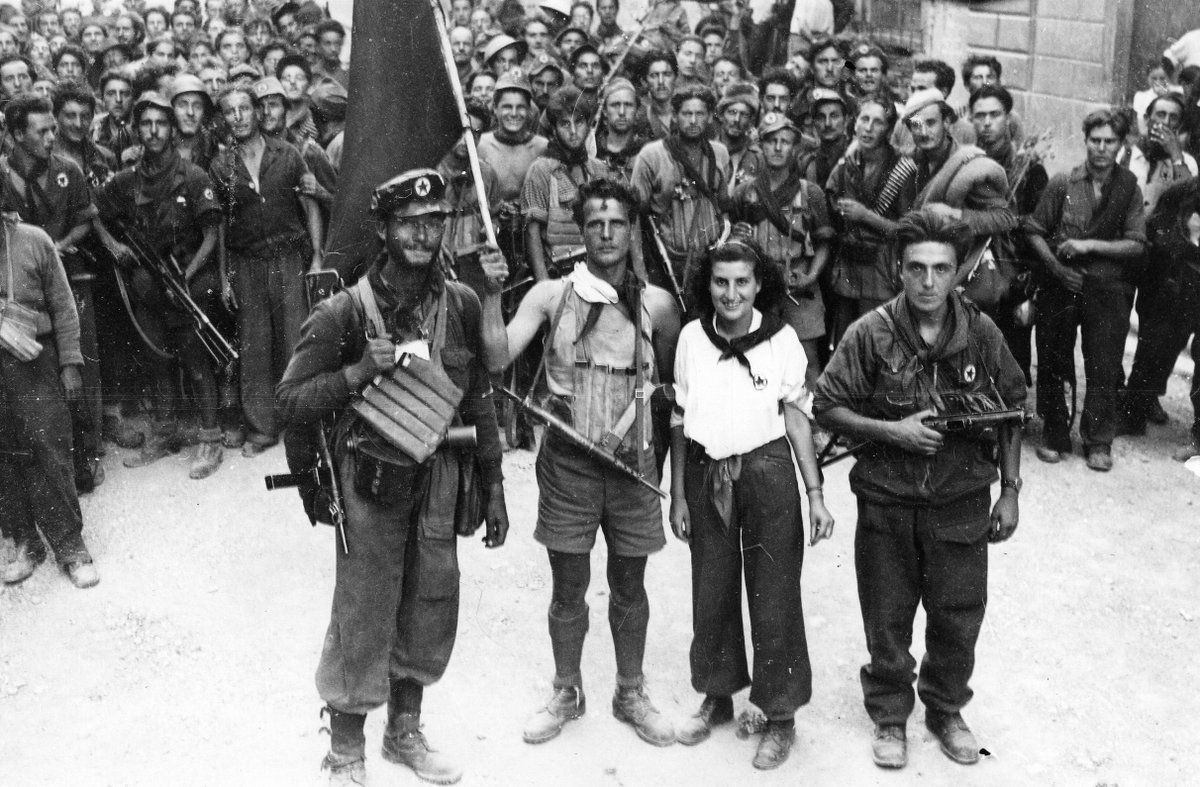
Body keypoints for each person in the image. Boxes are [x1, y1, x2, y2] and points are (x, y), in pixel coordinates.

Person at [276, 168, 510, 787]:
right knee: (364, 610)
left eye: (434, 223)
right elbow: (290, 401)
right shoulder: (344, 311)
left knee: (430, 602)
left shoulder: (458, 303)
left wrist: (494, 487)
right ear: (383, 228)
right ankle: (346, 751)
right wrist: (354, 373)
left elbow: (478, 397)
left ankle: (404, 732)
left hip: (440, 477)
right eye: (409, 223)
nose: (422, 235)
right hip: (368, 480)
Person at [813, 209, 1026, 770]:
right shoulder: (870, 332)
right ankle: (889, 713)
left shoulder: (981, 332)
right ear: (898, 270)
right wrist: (892, 432)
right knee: (887, 613)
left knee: (959, 612)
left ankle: (947, 708)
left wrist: (1011, 490)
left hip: (960, 499)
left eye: (941, 268)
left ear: (958, 272)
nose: (929, 282)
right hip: (886, 496)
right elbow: (827, 404)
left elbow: (1012, 411)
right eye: (916, 268)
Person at [486, 178, 682, 748]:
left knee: (630, 584)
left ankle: (631, 690)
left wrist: (662, 471)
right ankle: (567, 690)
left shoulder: (658, 306)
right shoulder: (550, 295)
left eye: (617, 222)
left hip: (634, 466)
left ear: (633, 229)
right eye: (594, 222)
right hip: (569, 464)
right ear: (580, 229)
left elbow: (668, 393)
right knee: (568, 586)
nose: (605, 233)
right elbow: (499, 354)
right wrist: (494, 293)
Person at [668, 230, 833, 769]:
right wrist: (678, 495)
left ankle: (780, 715)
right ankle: (717, 696)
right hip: (706, 471)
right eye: (720, 282)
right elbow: (678, 416)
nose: (731, 294)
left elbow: (796, 418)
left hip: (767, 471)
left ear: (760, 284)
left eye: (742, 282)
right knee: (711, 583)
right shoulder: (693, 337)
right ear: (707, 284)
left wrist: (814, 494)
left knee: (774, 589)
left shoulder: (782, 340)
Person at [99, 92, 225, 479]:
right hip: (145, 285)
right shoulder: (125, 181)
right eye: (146, 125)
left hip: (186, 280)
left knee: (195, 358)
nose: (154, 132)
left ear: (172, 130)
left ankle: (211, 436)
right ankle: (165, 432)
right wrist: (114, 245)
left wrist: (186, 278)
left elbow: (211, 234)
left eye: (161, 124)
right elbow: (96, 214)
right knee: (156, 357)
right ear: (136, 131)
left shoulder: (193, 176)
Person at [1027, 108, 1147, 471]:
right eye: (1095, 140)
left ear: (1120, 144)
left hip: (1108, 288)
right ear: (1086, 141)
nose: (1101, 148)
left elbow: (1137, 244)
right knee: (1052, 355)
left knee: (1105, 363)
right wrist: (1056, 268)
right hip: (1062, 284)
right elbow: (1033, 230)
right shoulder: (1063, 182)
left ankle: (1098, 439)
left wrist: (1089, 246)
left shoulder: (1128, 189)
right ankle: (1054, 431)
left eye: (1109, 141)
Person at [209, 84, 323, 456]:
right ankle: (262, 427)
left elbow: (309, 206)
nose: (238, 117)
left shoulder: (287, 154)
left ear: (258, 112)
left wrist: (317, 256)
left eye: (245, 109)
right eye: (230, 111)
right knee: (254, 345)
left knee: (294, 340)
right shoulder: (221, 165)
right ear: (224, 118)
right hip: (246, 263)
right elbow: (222, 225)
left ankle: (301, 425)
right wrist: (226, 275)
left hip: (288, 258)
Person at [1, 94, 104, 491]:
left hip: (68, 279)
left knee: (79, 363)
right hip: (19, 293)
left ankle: (88, 454)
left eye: (52, 130)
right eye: (41, 131)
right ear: (15, 135)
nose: (50, 137)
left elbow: (85, 223)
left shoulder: (69, 171)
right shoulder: (2, 177)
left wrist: (56, 247)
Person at [0, 205, 99, 589]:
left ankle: (71, 546)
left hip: (35, 360)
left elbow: (63, 306)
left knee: (49, 448)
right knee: (5, 455)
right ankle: (25, 542)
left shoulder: (34, 240)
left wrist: (70, 363)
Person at [731, 112, 832, 390]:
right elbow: (733, 238)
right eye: (771, 141)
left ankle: (815, 421)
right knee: (757, 353)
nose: (778, 147)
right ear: (760, 146)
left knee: (808, 357)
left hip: (798, 280)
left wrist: (811, 276)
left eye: (785, 142)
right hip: (758, 282)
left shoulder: (810, 193)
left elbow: (824, 241)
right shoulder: (744, 192)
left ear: (794, 147)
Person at [1121, 92, 1197, 434]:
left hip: (1163, 257)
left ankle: (1145, 394)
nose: (1162, 124)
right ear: (1146, 118)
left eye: (1172, 119)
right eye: (1158, 116)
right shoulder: (1126, 153)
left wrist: (1174, 156)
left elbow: (1190, 200)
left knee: (1160, 331)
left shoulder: (1187, 164)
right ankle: (1119, 392)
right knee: (1117, 320)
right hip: (1125, 247)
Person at [969, 84, 1049, 386]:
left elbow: (1038, 231)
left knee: (1009, 354)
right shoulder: (966, 161)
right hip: (971, 270)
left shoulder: (1027, 169)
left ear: (1008, 118)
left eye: (995, 114)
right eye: (980, 115)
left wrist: (1030, 293)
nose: (987, 123)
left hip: (1012, 275)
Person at [826, 97, 915, 345]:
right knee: (846, 342)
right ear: (854, 124)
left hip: (881, 270)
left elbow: (906, 230)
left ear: (888, 129)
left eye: (878, 122)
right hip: (849, 267)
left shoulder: (902, 168)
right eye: (864, 119)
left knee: (876, 342)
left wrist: (865, 216)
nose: (868, 127)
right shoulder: (848, 162)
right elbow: (831, 202)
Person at [630, 83, 729, 294]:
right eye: (686, 114)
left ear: (710, 116)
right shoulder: (652, 156)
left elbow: (723, 209)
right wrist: (640, 273)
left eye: (700, 114)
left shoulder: (719, 154)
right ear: (674, 115)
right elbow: (634, 217)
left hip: (710, 264)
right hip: (666, 264)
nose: (693, 121)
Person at [522, 85, 612, 281]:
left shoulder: (598, 170)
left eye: (579, 122)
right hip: (560, 274)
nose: (573, 131)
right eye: (564, 124)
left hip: (599, 271)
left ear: (588, 125)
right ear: (554, 129)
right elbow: (532, 232)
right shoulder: (541, 170)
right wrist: (544, 286)